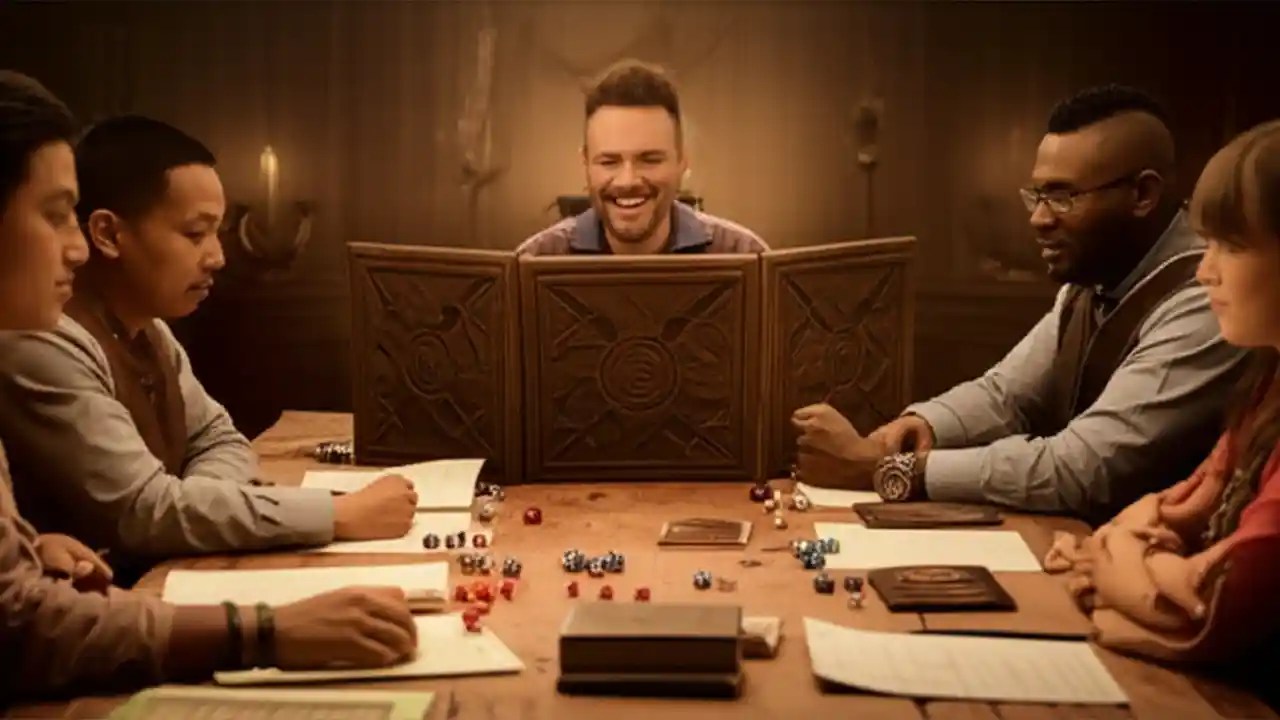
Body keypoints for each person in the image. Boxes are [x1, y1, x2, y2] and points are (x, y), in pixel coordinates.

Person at [0, 70, 417, 699]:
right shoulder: (41, 338)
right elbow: (138, 520)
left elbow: (219, 442)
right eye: (58, 217)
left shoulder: (149, 331)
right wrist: (278, 607)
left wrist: (181, 507)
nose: (76, 249)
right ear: (112, 232)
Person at [791, 85, 1248, 523]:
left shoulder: (1206, 302)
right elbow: (1007, 395)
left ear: (1143, 195)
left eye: (1063, 197)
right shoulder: (1093, 281)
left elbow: (1083, 468)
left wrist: (891, 470)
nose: (1039, 218)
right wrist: (923, 425)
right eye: (1037, 194)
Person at [1042, 120, 1280, 699]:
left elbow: (1215, 608)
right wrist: (1132, 566)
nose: (1206, 270)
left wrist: (1111, 572)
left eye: (1232, 245)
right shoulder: (1266, 384)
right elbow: (1172, 512)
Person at [516, 59, 768, 256]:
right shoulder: (535, 261)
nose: (627, 181)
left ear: (683, 162)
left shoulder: (745, 256)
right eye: (609, 162)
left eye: (649, 159)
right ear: (586, 165)